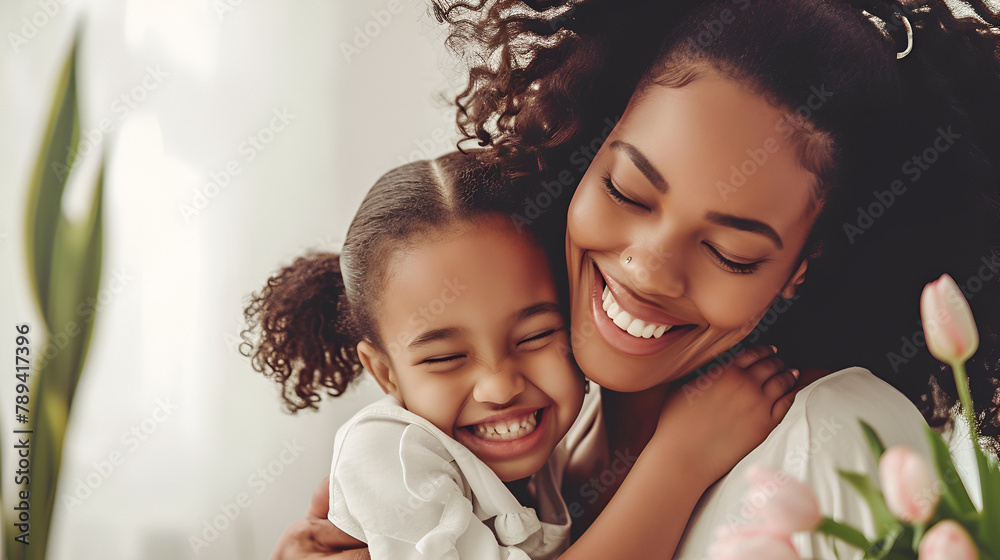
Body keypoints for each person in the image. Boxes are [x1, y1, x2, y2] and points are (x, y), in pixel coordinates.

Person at [274, 0, 1000, 556]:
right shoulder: (539, 449)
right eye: (626, 191)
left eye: (732, 252)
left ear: (795, 271)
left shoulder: (836, 434)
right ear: (584, 155)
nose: (648, 268)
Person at [244, 152, 795, 559]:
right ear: (384, 372)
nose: (500, 385)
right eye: (444, 359)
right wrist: (681, 460)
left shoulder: (530, 462)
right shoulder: (391, 455)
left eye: (534, 338)